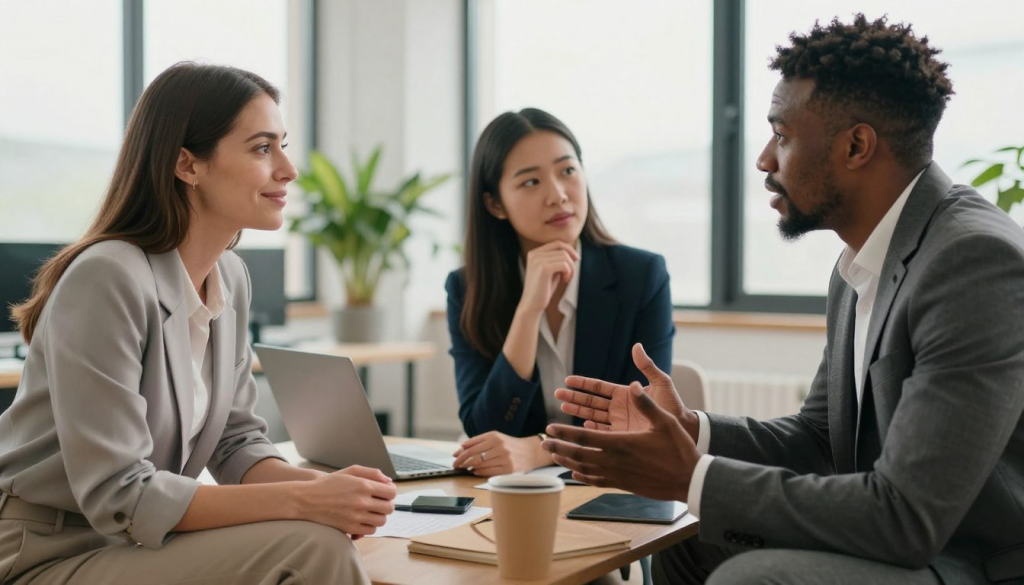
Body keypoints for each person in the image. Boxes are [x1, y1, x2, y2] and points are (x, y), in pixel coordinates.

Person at [543, 14, 1024, 585]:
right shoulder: (859, 265)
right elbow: (819, 440)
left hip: (971, 562)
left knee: (751, 575)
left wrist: (689, 476)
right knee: (691, 541)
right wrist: (691, 428)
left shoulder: (972, 262)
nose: (765, 159)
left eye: (783, 134)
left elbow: (907, 518)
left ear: (856, 145)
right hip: (911, 543)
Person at [0, 63, 396, 584]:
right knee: (310, 547)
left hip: (143, 542)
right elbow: (119, 494)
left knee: (321, 537)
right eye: (262, 148)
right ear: (188, 164)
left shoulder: (229, 277)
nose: (288, 169)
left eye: (283, 144)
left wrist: (330, 490)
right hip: (51, 551)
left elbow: (235, 443)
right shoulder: (107, 277)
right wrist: (305, 498)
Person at [445, 108, 675, 476]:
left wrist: (540, 451)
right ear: (495, 204)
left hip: (613, 485)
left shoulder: (641, 276)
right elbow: (484, 428)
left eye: (567, 171)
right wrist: (529, 309)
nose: (557, 195)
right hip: (514, 495)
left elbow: (641, 419)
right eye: (530, 182)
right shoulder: (467, 288)